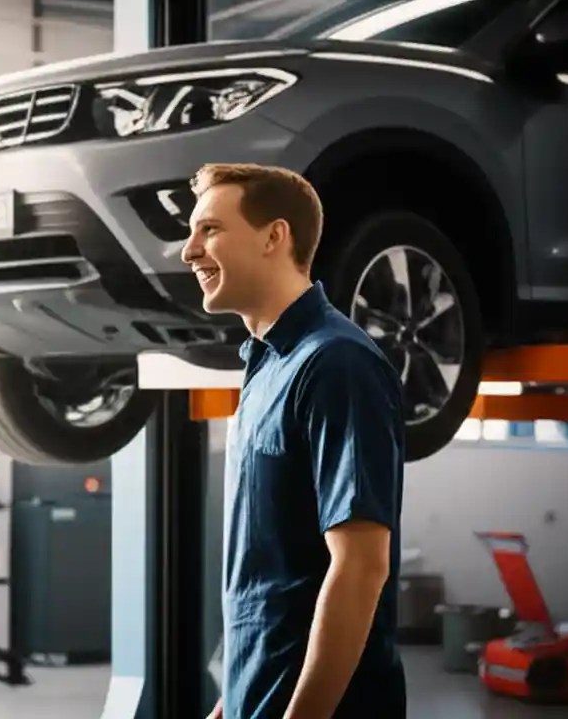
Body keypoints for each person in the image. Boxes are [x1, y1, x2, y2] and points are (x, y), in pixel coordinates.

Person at [183, 164, 407, 719]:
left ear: (273, 236)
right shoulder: (266, 368)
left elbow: (360, 566)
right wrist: (231, 701)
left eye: (209, 229)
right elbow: (273, 578)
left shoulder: (337, 364)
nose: (189, 252)